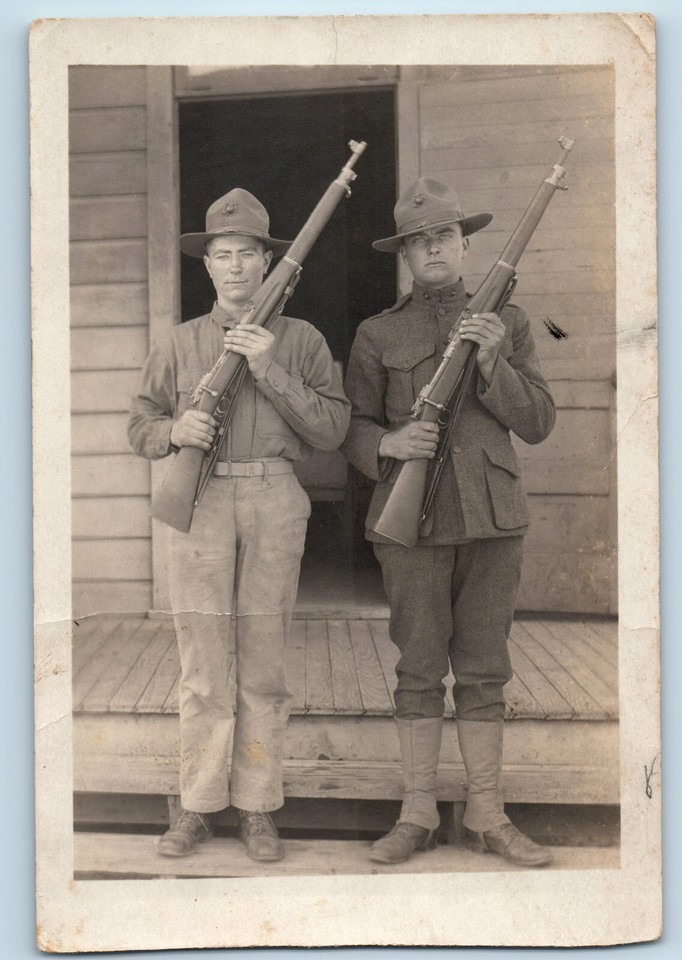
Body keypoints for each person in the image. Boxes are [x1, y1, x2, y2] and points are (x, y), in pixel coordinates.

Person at [128, 189, 350, 861]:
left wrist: (268, 367)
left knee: (263, 663)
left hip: (274, 497)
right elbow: (139, 423)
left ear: (267, 263)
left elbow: (333, 429)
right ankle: (196, 806)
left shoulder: (303, 340)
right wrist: (174, 430)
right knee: (202, 664)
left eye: (247, 255)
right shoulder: (180, 343)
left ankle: (257, 807)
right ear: (208, 267)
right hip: (198, 500)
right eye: (221, 255)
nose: (234, 267)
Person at [343, 178, 556, 867]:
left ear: (465, 245)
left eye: (443, 236)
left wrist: (494, 360)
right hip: (413, 528)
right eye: (418, 240)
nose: (432, 248)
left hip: (493, 522)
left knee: (485, 671)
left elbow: (540, 422)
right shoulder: (377, 332)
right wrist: (387, 445)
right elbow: (351, 428)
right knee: (419, 668)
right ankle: (416, 815)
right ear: (405, 255)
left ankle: (488, 815)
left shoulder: (511, 323)